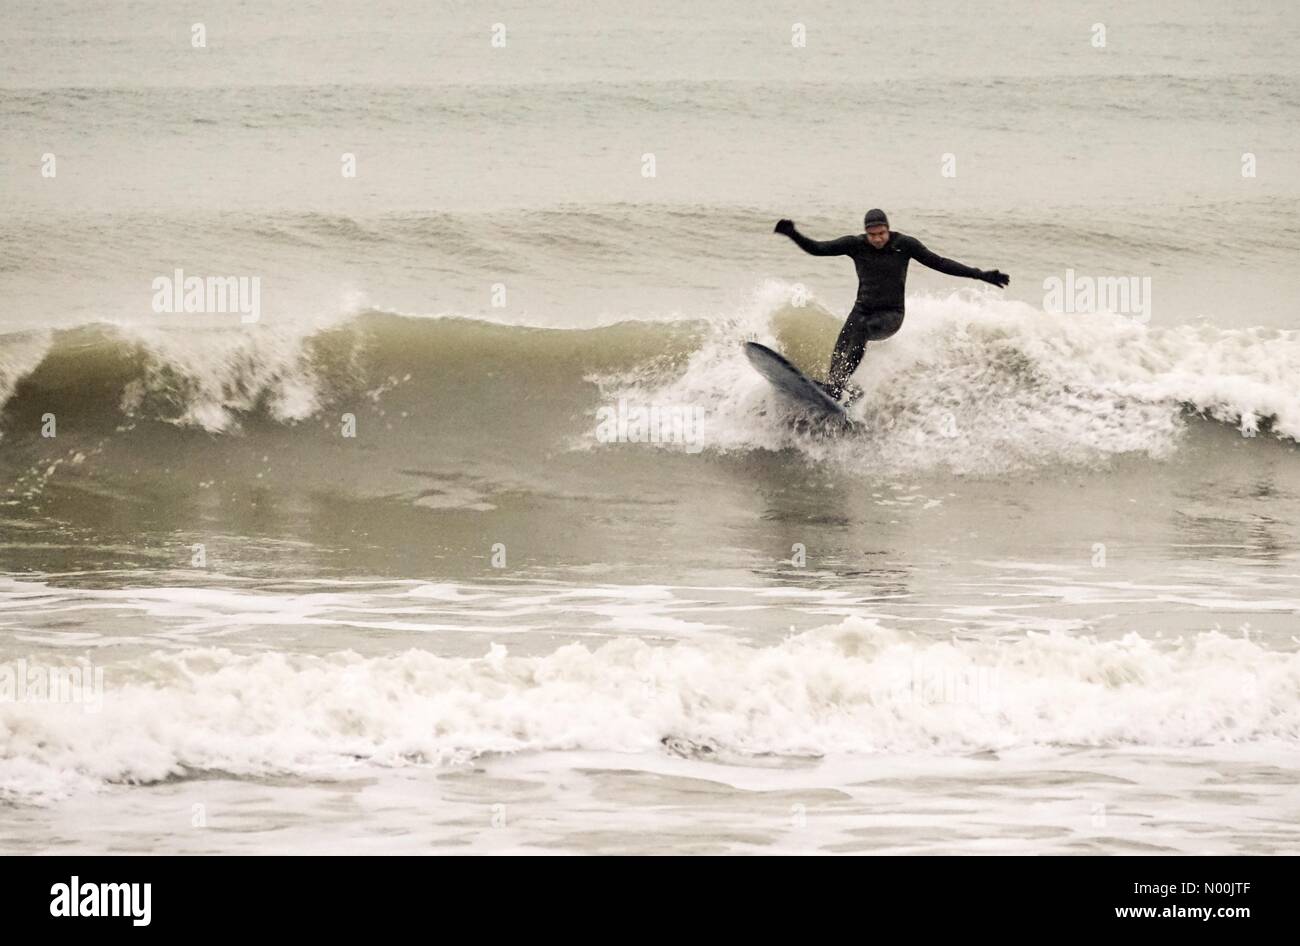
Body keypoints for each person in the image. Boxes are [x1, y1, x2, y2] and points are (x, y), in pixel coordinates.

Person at [774, 209, 1009, 400]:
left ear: (888, 229)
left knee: (863, 330)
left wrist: (982, 275)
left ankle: (837, 388)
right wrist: (793, 234)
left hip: (891, 315)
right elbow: (818, 249)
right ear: (866, 232)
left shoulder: (904, 245)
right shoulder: (855, 245)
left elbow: (941, 263)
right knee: (842, 343)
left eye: (882, 233)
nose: (877, 239)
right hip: (862, 309)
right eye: (872, 234)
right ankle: (839, 388)